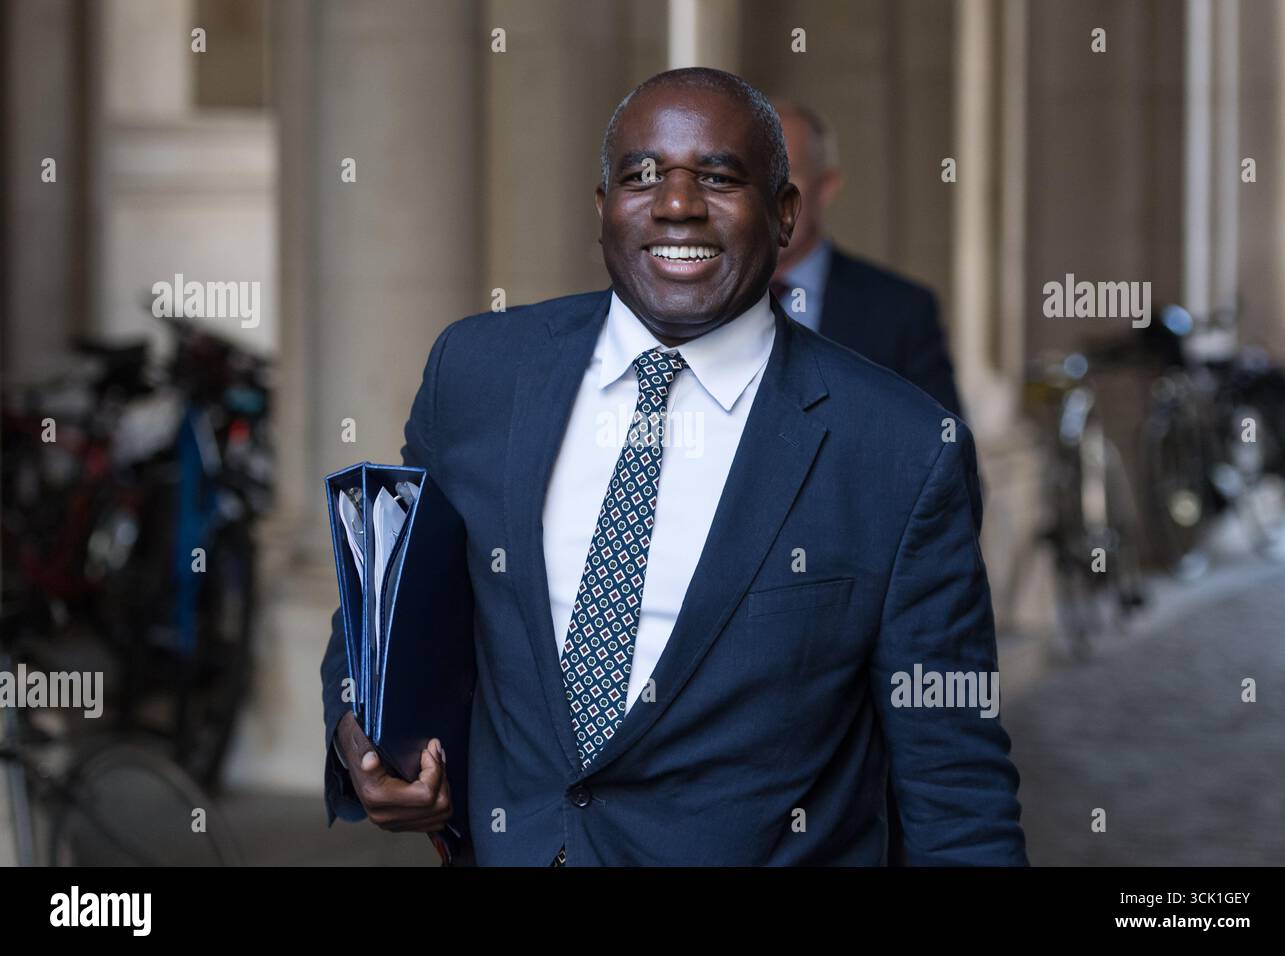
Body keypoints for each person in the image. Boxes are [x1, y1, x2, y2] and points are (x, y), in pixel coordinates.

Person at [321, 67, 1026, 866]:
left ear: (786, 213)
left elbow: (954, 781)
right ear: (603, 208)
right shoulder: (479, 374)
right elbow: (386, 608)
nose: (678, 203)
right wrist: (360, 731)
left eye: (719, 177)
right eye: (642, 175)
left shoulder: (899, 451)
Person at [770, 100, 964, 419]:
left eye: (786, 183)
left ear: (826, 187)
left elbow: (945, 457)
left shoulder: (902, 313)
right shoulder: (697, 301)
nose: (768, 203)